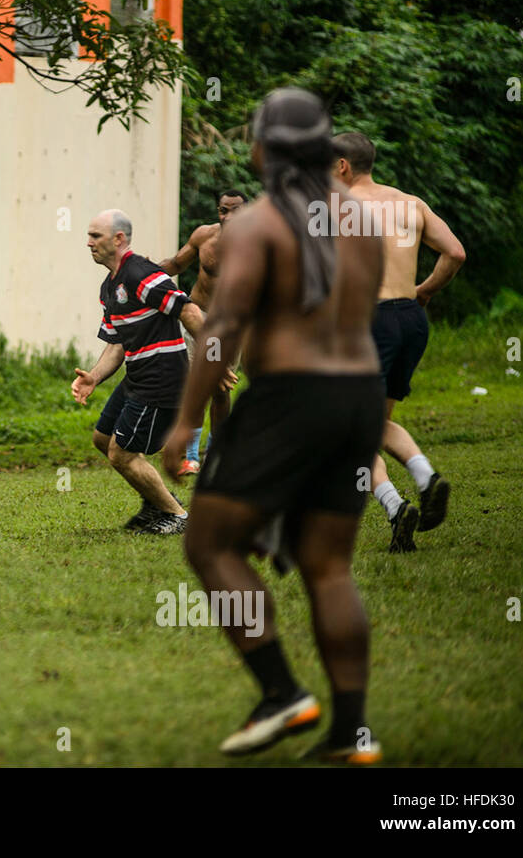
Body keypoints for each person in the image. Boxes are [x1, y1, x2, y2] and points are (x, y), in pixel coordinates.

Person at [162, 88, 386, 764]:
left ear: (261, 149)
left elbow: (220, 330)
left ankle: (282, 690)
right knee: (328, 565)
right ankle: (351, 732)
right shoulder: (363, 220)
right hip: (361, 397)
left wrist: (186, 422)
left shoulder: (256, 224)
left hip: (291, 398)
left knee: (208, 544)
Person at [332, 132, 465, 552]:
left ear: (341, 167)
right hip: (410, 320)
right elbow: (456, 253)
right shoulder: (412, 203)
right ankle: (425, 479)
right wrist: (422, 290)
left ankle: (394, 505)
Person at [70, 209, 218, 535]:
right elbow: (116, 344)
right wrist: (93, 377)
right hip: (137, 375)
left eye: (96, 236)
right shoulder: (109, 288)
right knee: (102, 438)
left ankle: (177, 516)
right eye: (89, 235)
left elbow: (188, 309)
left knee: (121, 455)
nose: (88, 243)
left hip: (162, 378)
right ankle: (156, 503)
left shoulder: (142, 274)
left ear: (119, 239)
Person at [160, 190, 249, 475]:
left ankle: (216, 452)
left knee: (220, 390)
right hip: (196, 317)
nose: (229, 216)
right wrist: (144, 270)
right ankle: (191, 456)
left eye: (236, 210)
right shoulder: (203, 236)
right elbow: (176, 264)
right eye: (224, 210)